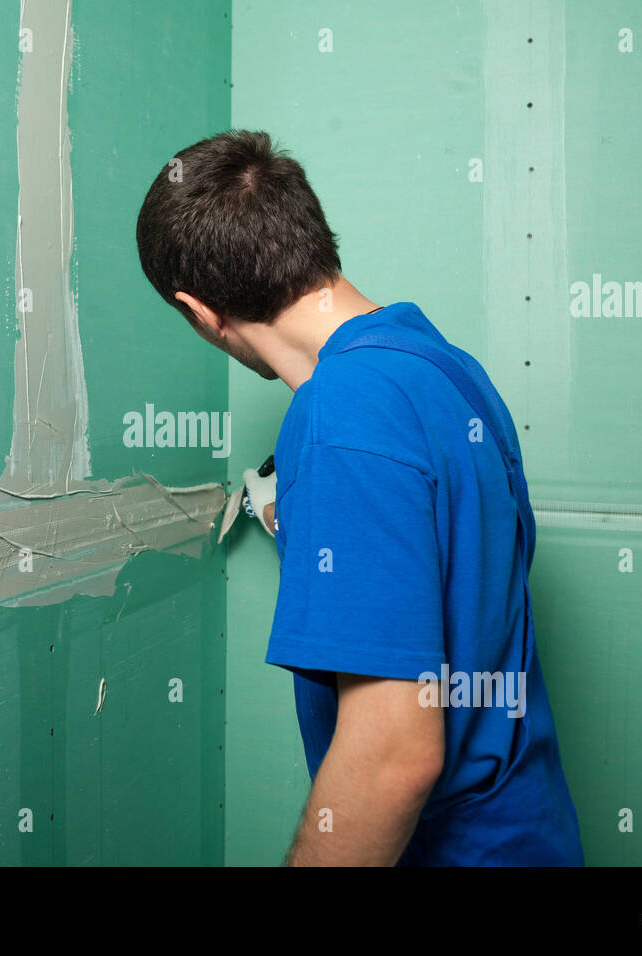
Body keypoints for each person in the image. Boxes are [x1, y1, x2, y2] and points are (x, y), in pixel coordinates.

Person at [135, 129, 583, 866]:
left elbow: (392, 760)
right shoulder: (443, 367)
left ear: (200, 309)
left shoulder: (338, 418)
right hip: (532, 831)